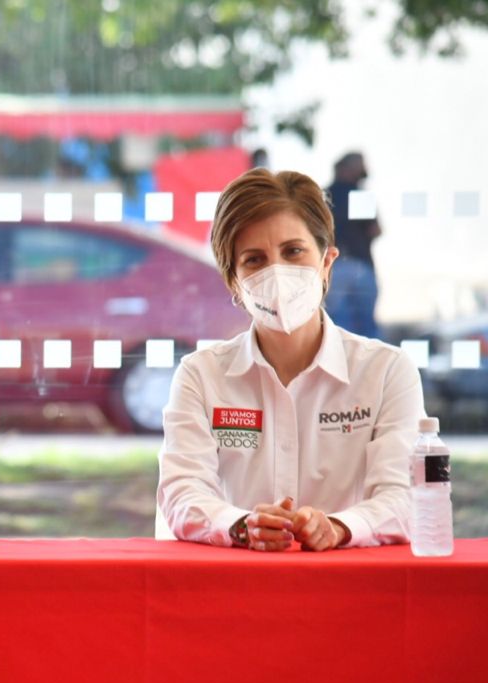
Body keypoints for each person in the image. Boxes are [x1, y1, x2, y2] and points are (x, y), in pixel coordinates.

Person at [157, 168, 422, 551]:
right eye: (254, 260)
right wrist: (241, 526)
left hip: (354, 591)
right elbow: (182, 492)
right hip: (232, 588)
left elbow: (407, 496)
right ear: (233, 281)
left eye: (293, 252)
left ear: (327, 261)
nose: (276, 273)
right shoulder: (200, 376)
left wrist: (338, 527)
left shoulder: (386, 372)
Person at [324, 151, 382, 338]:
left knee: (339, 330)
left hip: (334, 267)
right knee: (368, 331)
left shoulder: (324, 196)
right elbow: (375, 230)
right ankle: (373, 367)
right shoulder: (359, 195)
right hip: (360, 265)